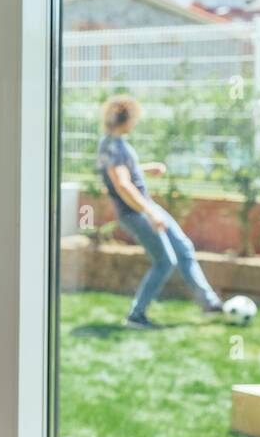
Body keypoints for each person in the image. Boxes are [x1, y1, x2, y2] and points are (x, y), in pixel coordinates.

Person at [95, 94, 223, 329]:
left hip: (144, 207)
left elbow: (121, 172)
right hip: (136, 212)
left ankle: (209, 303)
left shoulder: (113, 144)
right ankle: (136, 315)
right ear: (127, 119)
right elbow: (122, 184)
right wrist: (150, 213)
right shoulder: (112, 146)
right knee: (165, 261)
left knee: (183, 248)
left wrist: (144, 169)